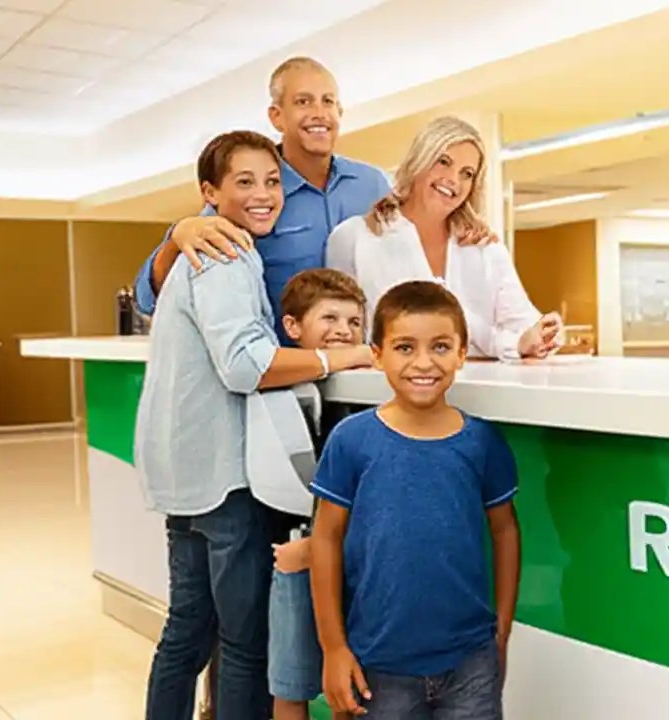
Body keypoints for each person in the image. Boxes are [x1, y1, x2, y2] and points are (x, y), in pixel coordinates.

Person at [135, 131, 374, 720]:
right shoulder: (227, 252)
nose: (265, 195)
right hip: (226, 479)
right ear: (210, 192)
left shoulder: (201, 250)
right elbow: (245, 365)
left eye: (272, 182)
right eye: (245, 182)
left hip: (187, 476)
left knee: (187, 630)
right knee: (243, 643)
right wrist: (338, 357)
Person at [130, 57, 492, 346]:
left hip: (361, 371)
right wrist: (180, 233)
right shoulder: (254, 193)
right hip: (276, 379)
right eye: (303, 102)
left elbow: (419, 232)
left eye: (328, 102)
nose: (319, 113)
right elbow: (150, 298)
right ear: (277, 116)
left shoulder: (371, 183)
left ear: (340, 113)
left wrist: (464, 221)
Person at [310, 281, 521, 719]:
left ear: (462, 353)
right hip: (378, 664)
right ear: (377, 353)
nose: (423, 362)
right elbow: (326, 538)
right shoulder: (351, 441)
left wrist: (500, 631)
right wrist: (333, 648)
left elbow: (505, 530)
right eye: (405, 347)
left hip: (470, 663)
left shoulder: (483, 442)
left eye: (440, 346)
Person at [326, 115, 561, 360]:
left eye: (467, 173)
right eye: (443, 162)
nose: (453, 180)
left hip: (476, 391)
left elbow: (522, 324)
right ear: (420, 160)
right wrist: (509, 343)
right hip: (380, 390)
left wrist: (541, 334)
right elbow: (341, 336)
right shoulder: (353, 238)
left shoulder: (484, 247)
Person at [266, 268, 368, 720]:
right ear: (293, 328)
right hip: (293, 545)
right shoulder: (281, 386)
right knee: (290, 679)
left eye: (354, 321)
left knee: (348, 679)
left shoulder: (370, 393)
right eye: (330, 318)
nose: (344, 331)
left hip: (342, 549)